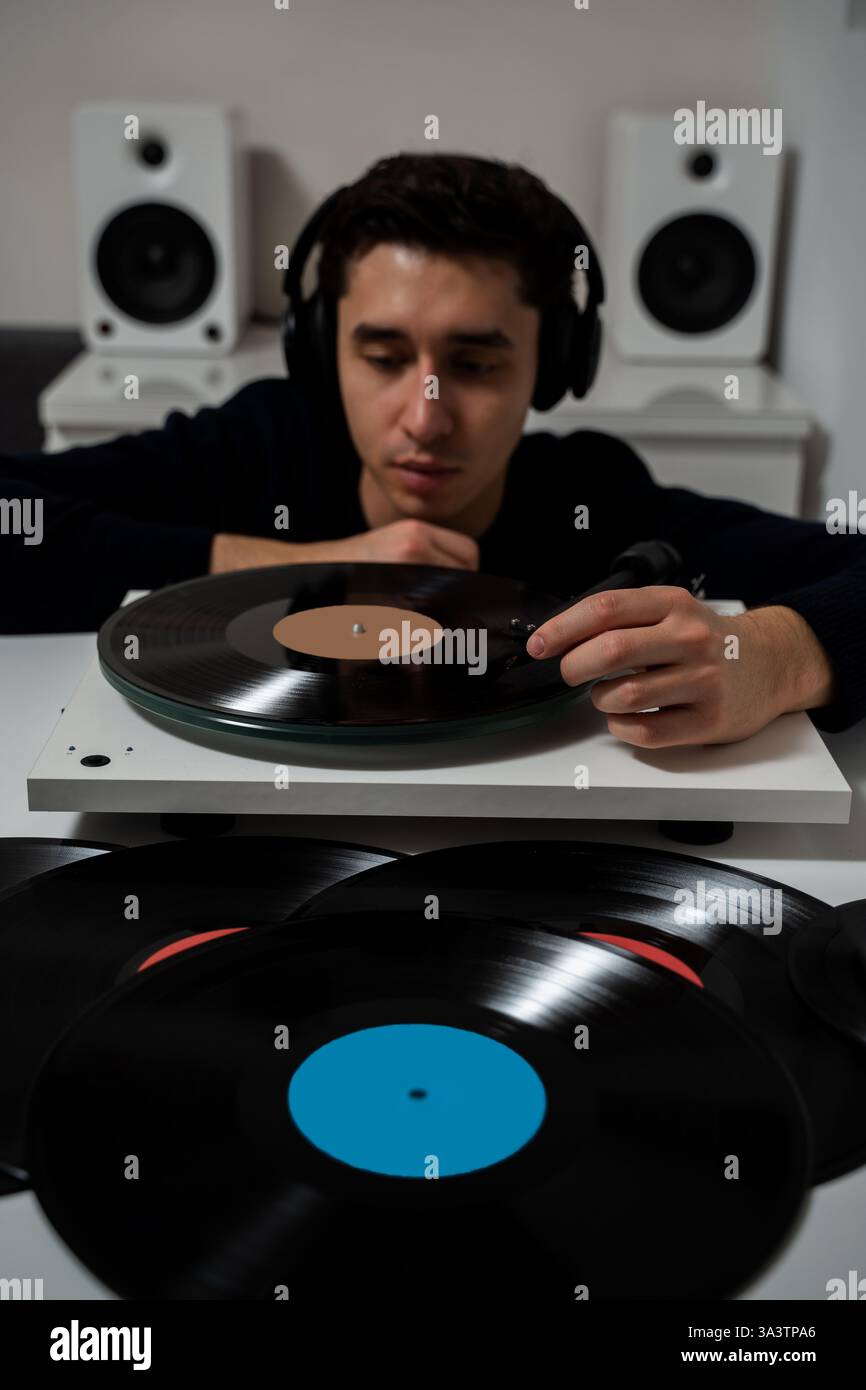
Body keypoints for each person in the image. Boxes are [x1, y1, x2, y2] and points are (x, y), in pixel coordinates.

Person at [1, 152, 864, 748]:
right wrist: (311, 568)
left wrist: (782, 657)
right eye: (381, 359)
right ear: (318, 349)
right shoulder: (256, 445)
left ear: (553, 366)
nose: (425, 417)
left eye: (476, 364)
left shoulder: (593, 497)